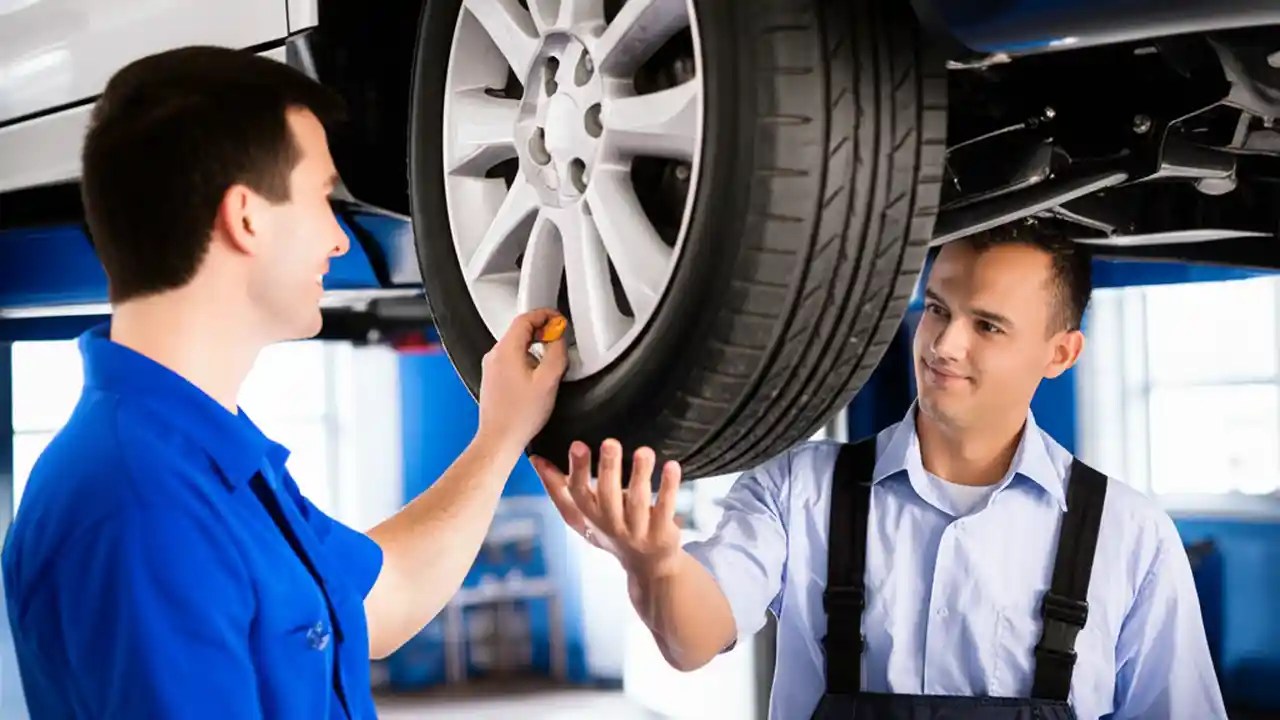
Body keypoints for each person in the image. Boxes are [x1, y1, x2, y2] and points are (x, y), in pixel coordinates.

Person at [2, 46, 567, 719]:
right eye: (324, 197)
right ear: (246, 217)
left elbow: (379, 604)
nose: (338, 239)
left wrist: (501, 435)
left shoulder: (210, 461)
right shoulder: (139, 504)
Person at [531, 222, 1228, 720]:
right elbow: (692, 637)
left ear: (1061, 353)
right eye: (937, 309)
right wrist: (654, 565)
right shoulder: (799, 491)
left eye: (988, 326)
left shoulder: (1129, 536)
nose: (944, 345)